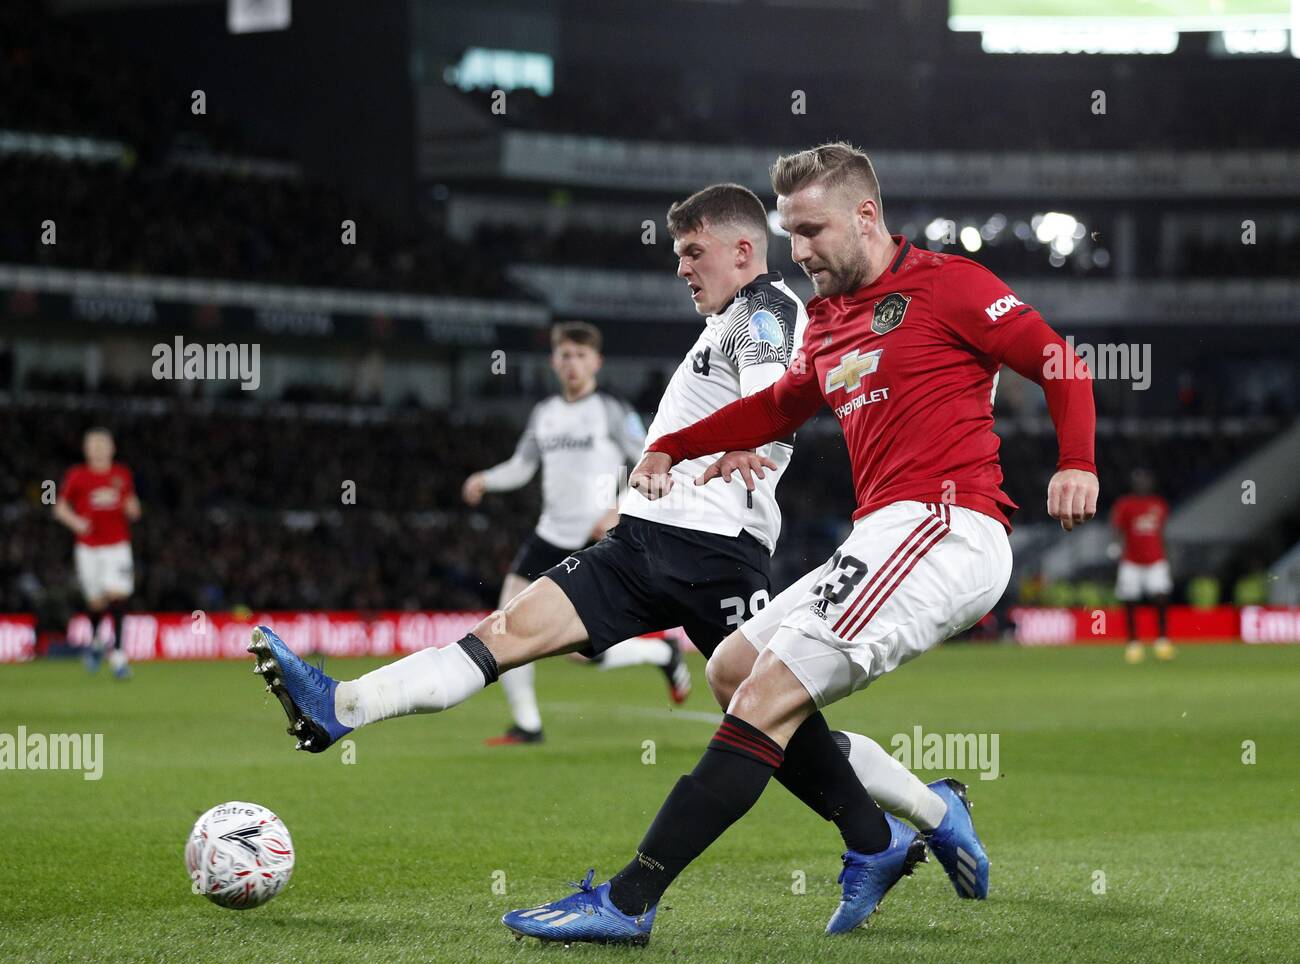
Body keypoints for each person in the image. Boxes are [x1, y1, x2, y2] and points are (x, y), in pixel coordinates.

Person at [248, 183, 988, 903]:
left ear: (742, 249)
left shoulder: (763, 308)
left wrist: (747, 443)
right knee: (501, 635)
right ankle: (339, 705)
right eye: (677, 253)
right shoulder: (726, 319)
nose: (681, 267)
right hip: (642, 546)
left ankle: (917, 817)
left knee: (785, 726)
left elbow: (776, 394)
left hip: (711, 555)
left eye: (692, 251)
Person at [502, 141, 1098, 943]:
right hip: (884, 530)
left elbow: (1058, 358)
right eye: (791, 236)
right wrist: (670, 445)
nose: (802, 252)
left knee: (767, 698)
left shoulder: (948, 283)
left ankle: (629, 899)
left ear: (866, 214)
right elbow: (774, 408)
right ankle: (913, 820)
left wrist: (1077, 462)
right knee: (732, 669)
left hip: (947, 526)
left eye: (814, 231)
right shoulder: (826, 322)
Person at [461, 320, 691, 745]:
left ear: (597, 362)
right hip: (548, 534)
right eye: (565, 355)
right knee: (503, 623)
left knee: (579, 652)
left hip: (593, 538)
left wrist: (617, 507)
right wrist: (486, 479)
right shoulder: (545, 414)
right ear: (554, 360)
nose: (573, 364)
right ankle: (527, 724)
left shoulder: (611, 410)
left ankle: (661, 652)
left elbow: (649, 457)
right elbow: (522, 466)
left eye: (581, 356)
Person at [54, 427, 141, 679]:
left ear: (112, 448)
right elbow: (59, 507)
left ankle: (119, 655)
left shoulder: (122, 474)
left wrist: (134, 510)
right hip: (88, 547)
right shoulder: (77, 475)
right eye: (94, 444)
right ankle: (94, 644)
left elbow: (132, 506)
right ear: (86, 449)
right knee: (96, 602)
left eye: (104, 444)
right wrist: (76, 523)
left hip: (117, 545)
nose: (100, 448)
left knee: (117, 594)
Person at [1110, 468, 1173, 662]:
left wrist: (1166, 554)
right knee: (1130, 601)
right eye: (1138, 481)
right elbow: (1117, 528)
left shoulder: (1158, 504)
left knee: (1161, 598)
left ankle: (1162, 640)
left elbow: (1162, 532)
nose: (1142, 485)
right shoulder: (1125, 504)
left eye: (1145, 481)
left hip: (1155, 559)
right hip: (1131, 560)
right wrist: (1115, 546)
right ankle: (1133, 643)